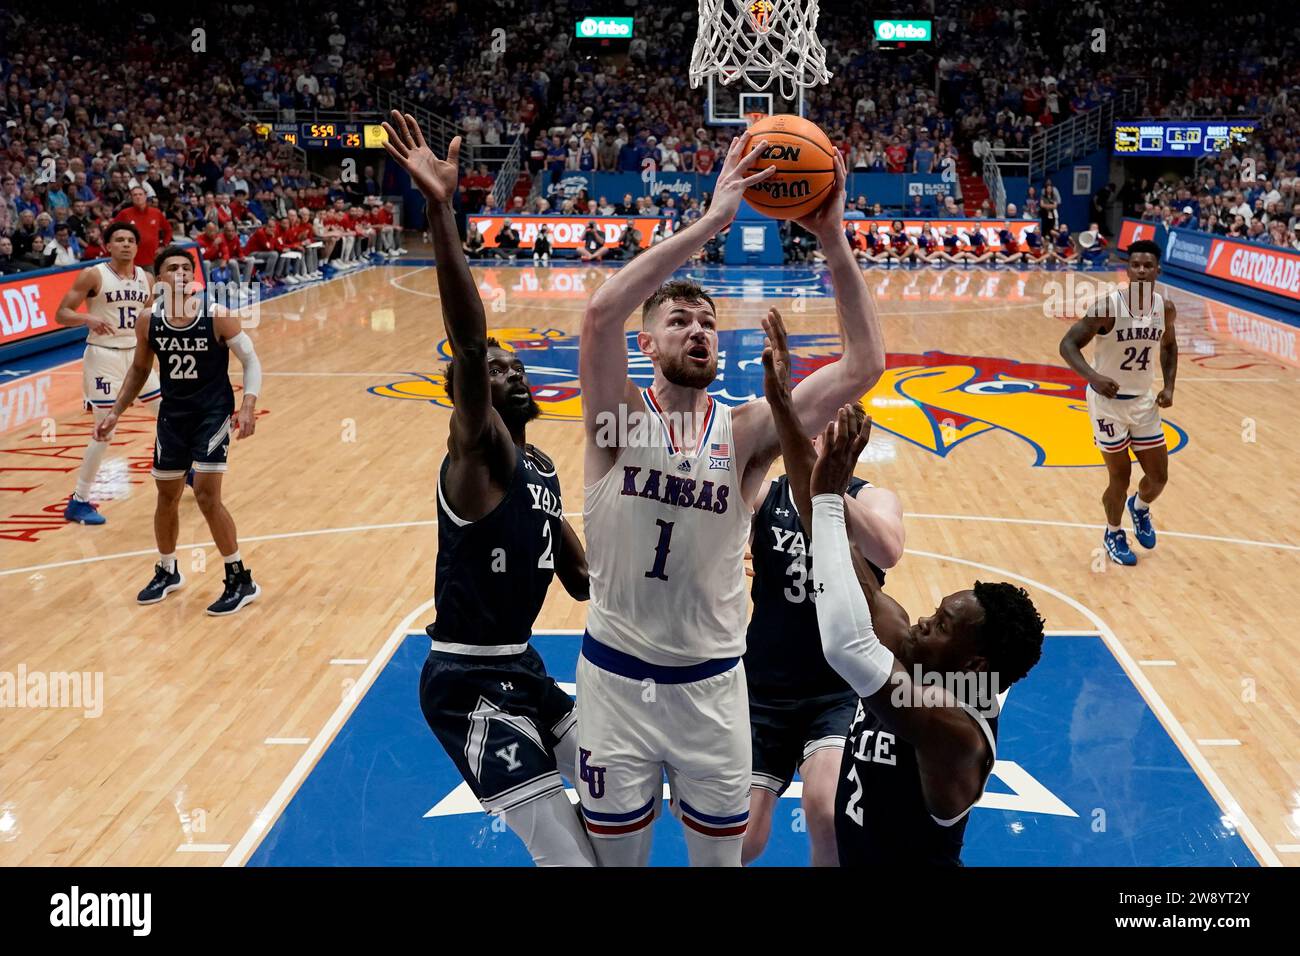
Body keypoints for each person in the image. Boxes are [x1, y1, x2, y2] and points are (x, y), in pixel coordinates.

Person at [574, 133, 886, 867]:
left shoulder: (746, 433)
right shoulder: (614, 419)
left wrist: (834, 240)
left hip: (714, 692)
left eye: (708, 323)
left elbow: (865, 363)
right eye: (679, 321)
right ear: (647, 344)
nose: (698, 331)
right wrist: (714, 221)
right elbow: (597, 315)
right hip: (614, 685)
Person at [381, 112, 596, 866]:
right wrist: (442, 209)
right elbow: (470, 342)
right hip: (468, 679)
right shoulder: (479, 452)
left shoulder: (540, 469)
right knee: (568, 857)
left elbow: (581, 581)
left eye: (516, 367)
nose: (511, 371)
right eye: (495, 372)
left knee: (623, 795)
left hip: (527, 670)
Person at [741, 310, 904, 867]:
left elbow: (887, 551)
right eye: (816, 428)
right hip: (763, 682)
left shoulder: (874, 497)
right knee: (739, 833)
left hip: (836, 689)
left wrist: (832, 490)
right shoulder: (765, 496)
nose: (822, 436)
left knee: (826, 809)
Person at [95, 244, 263, 614]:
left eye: (187, 267)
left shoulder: (218, 315)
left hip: (213, 412)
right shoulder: (148, 320)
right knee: (167, 496)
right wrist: (115, 412)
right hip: (173, 415)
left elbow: (251, 361)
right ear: (159, 279)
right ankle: (167, 570)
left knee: (205, 494)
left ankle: (240, 578)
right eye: (173, 267)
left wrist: (248, 404)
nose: (183, 272)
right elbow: (139, 370)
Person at [1058, 239, 1177, 566]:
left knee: (1158, 478)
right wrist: (1093, 377)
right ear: (1127, 269)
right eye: (1135, 265)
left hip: (1142, 402)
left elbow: (1168, 347)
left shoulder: (1164, 308)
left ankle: (1139, 508)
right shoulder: (1106, 307)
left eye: (1147, 266)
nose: (1141, 270)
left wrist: (1169, 386)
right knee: (1119, 477)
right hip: (1107, 404)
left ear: (1157, 270)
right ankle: (1113, 532)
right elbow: (1068, 344)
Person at [56, 222, 161, 525]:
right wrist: (86, 317)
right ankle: (78, 500)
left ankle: (184, 468)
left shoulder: (147, 277)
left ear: (137, 247)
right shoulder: (93, 275)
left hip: (137, 357)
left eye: (131, 240)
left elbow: (147, 318)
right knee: (104, 432)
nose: (126, 244)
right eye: (119, 240)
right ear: (108, 246)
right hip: (103, 357)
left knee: (169, 414)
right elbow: (61, 313)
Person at [112, 185, 173, 274]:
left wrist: (163, 246)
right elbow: (111, 231)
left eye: (140, 194)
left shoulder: (156, 213)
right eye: (135, 195)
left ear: (145, 196)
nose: (138, 197)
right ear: (131, 197)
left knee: (151, 285)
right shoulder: (124, 214)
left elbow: (168, 230)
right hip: (130, 261)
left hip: (152, 260)